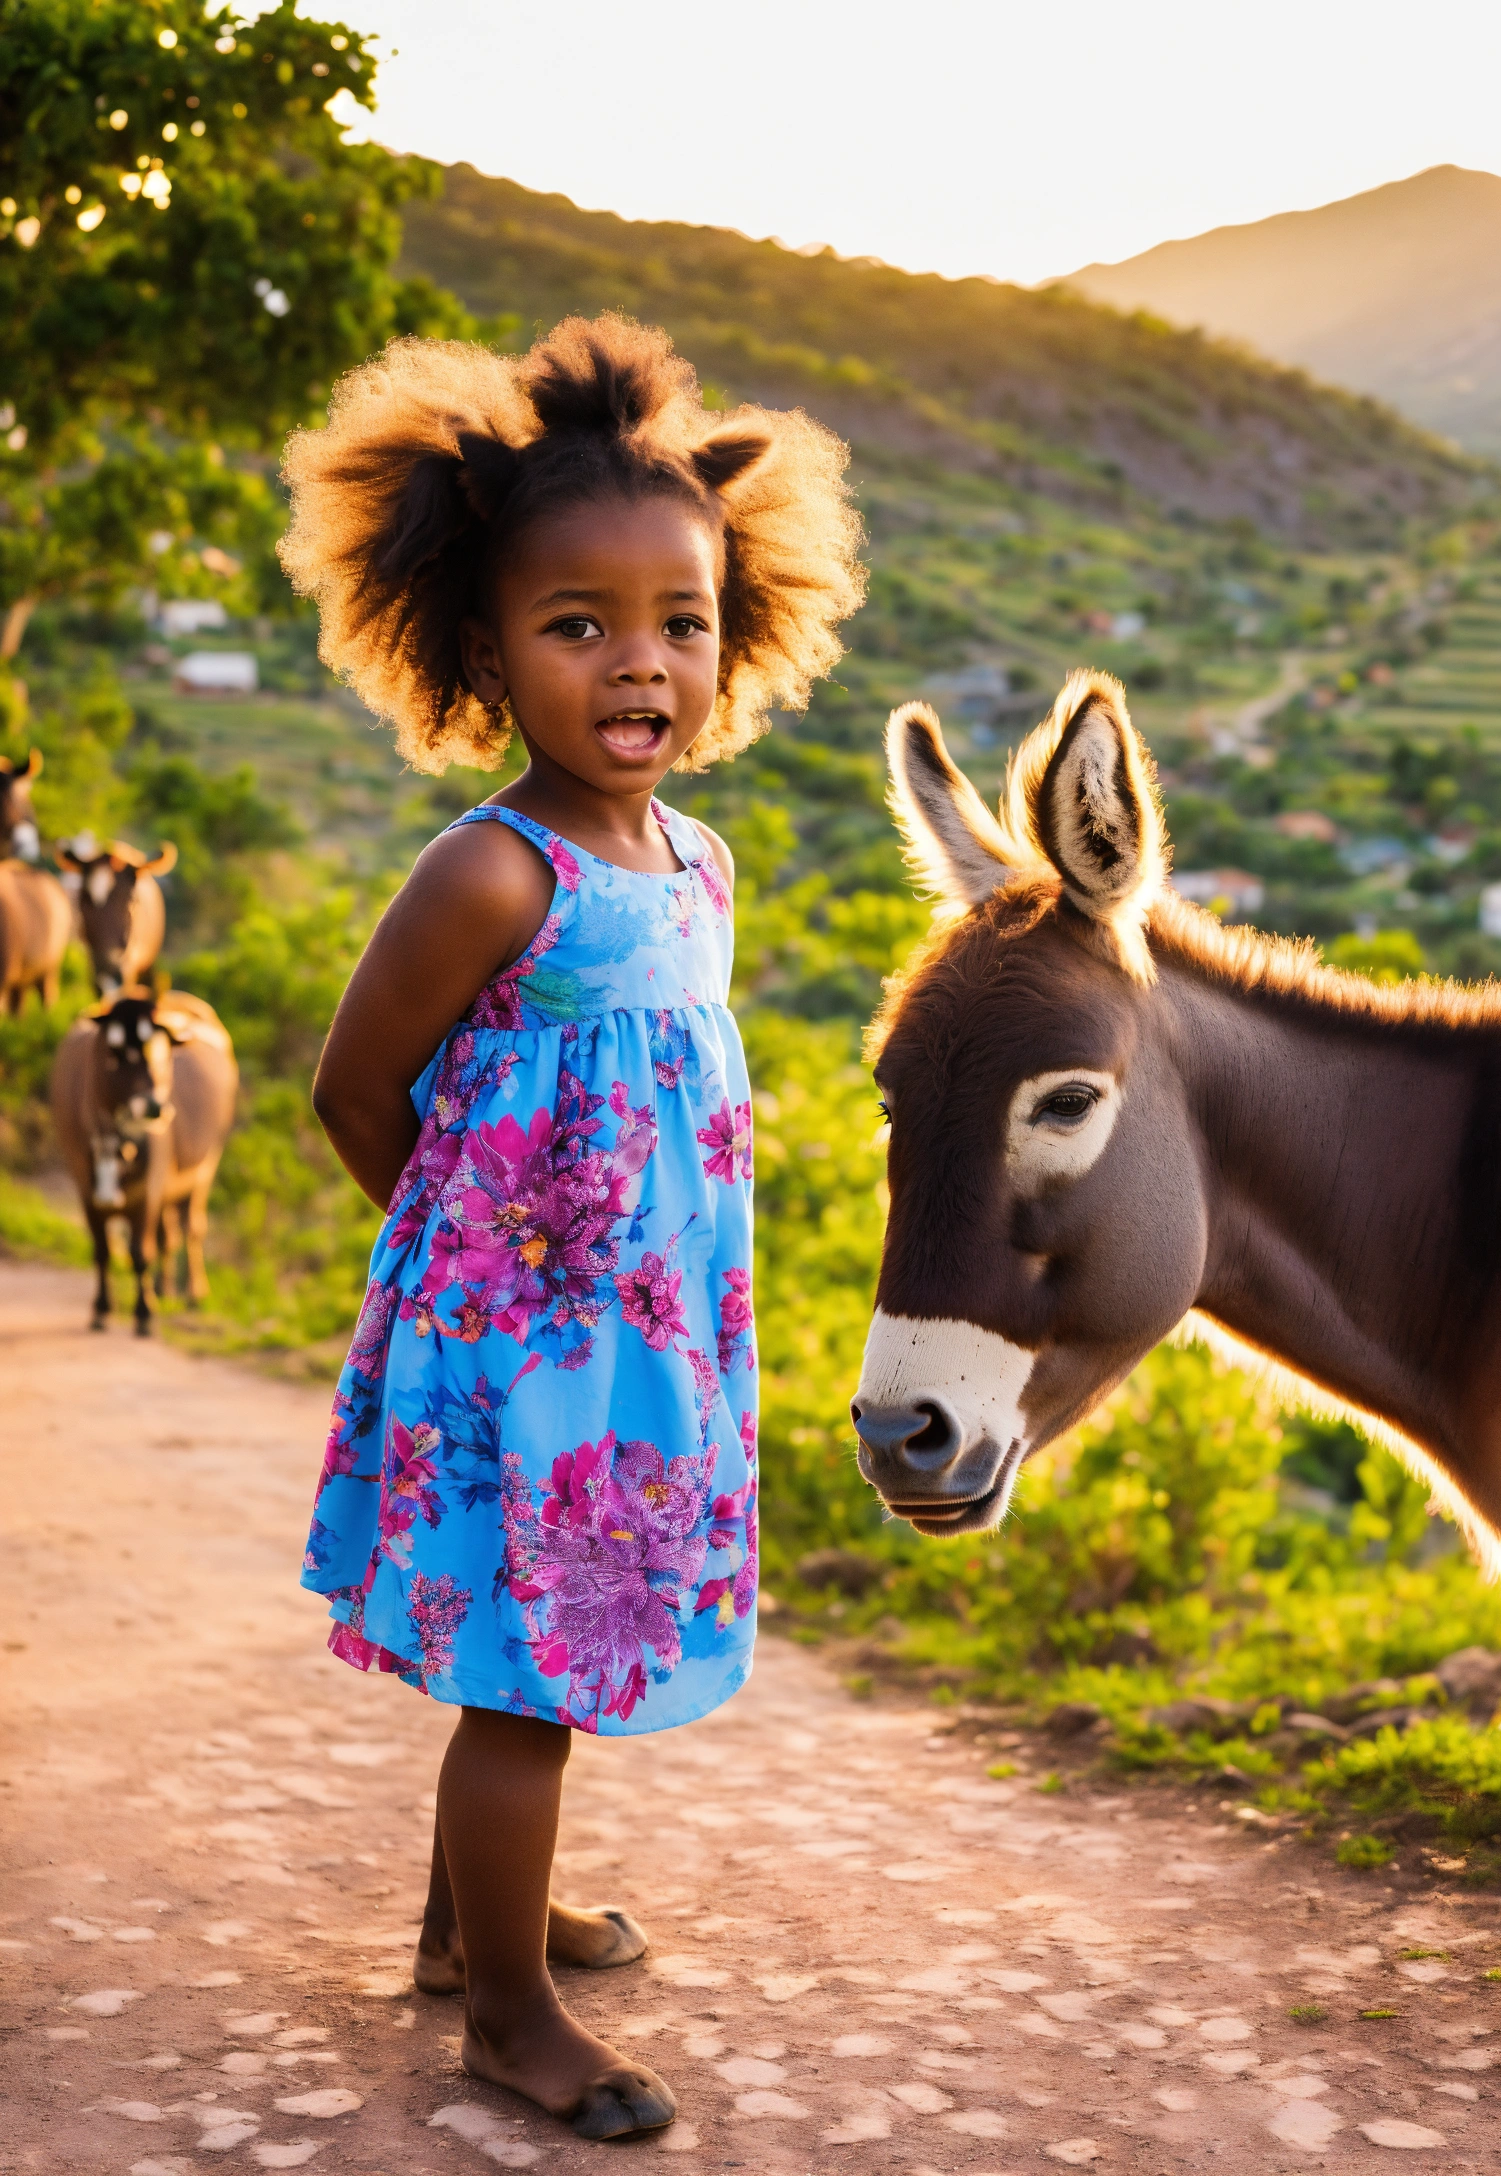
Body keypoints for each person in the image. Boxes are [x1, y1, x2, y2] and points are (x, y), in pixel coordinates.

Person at [282, 317, 864, 2139]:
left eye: (681, 621)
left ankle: (475, 1924)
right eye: (578, 624)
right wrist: (478, 1293)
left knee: (541, 1660)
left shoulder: (695, 866)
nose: (639, 662)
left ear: (733, 637)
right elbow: (354, 1091)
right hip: (520, 1356)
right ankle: (509, 2020)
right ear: (483, 651)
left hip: (646, 1349)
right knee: (526, 1693)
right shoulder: (492, 871)